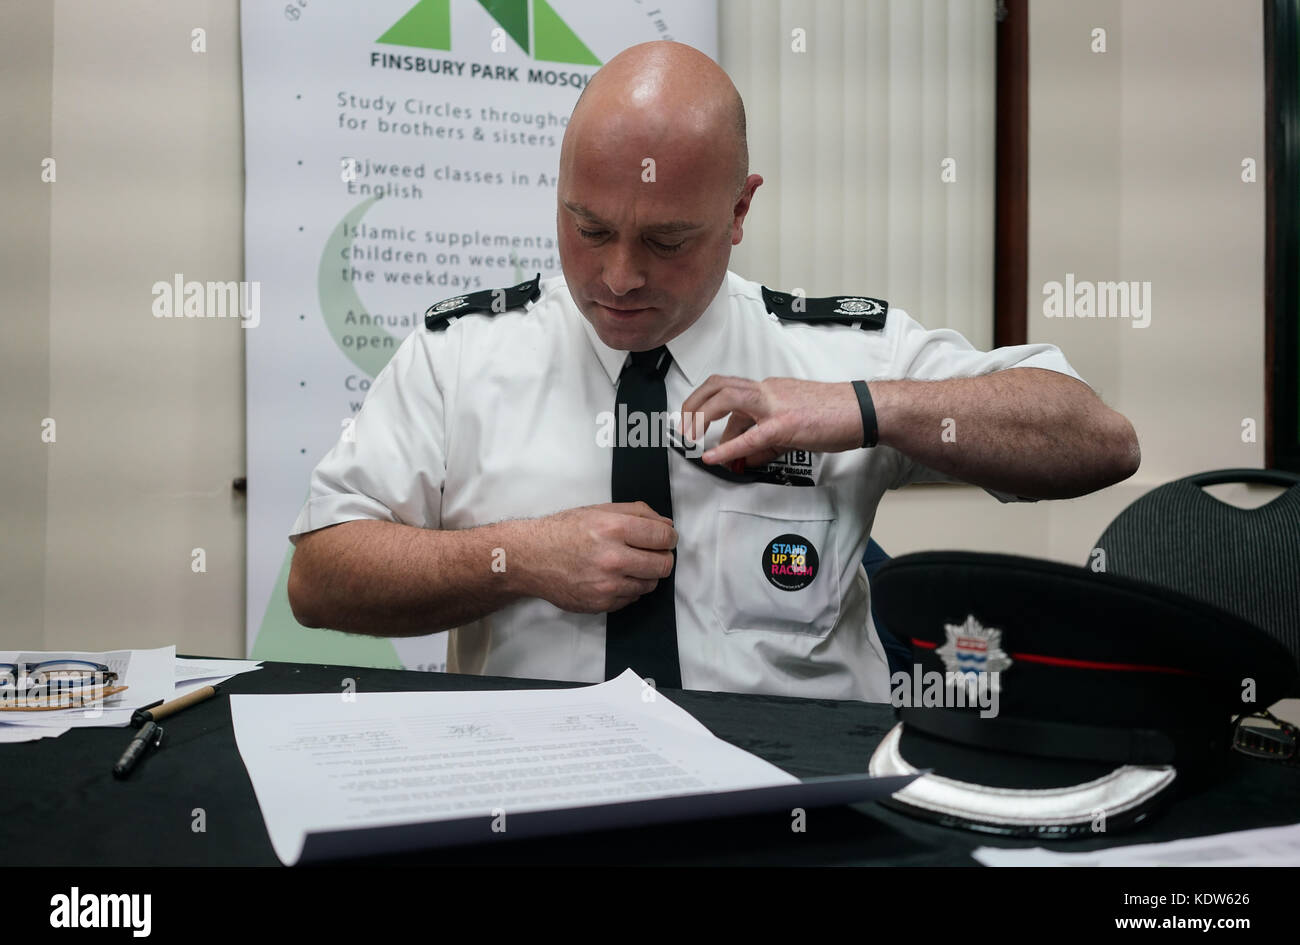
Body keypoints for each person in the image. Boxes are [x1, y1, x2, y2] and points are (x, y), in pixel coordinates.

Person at [287, 41, 1140, 702]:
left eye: (666, 240)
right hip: (538, 805)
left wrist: (858, 408)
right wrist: (517, 557)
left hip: (798, 805)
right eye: (587, 228)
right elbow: (319, 577)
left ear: (739, 211)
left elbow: (1098, 440)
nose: (619, 276)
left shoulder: (830, 350)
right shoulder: (461, 355)